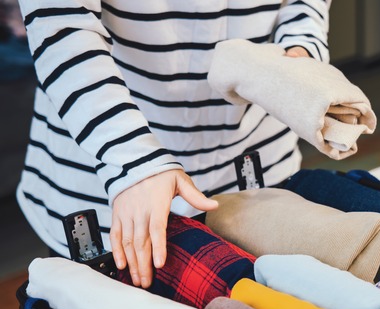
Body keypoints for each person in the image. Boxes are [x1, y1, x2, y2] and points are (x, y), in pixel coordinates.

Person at [16, 1, 331, 289]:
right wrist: (134, 159)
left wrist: (301, 49)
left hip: (255, 159)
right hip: (107, 179)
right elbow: (62, 27)